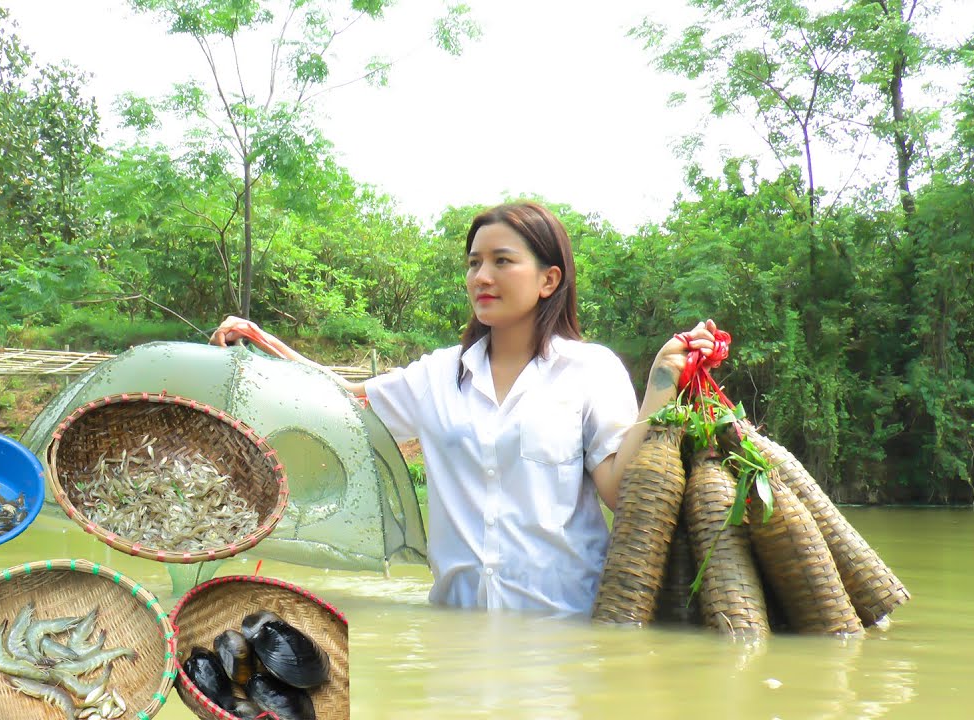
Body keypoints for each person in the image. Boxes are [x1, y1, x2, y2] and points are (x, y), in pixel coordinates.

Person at [211, 202, 717, 616]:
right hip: (456, 635)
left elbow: (618, 491)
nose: (482, 276)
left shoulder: (590, 370)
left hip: (567, 631)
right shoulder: (437, 376)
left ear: (548, 280)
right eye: (474, 263)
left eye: (502, 261)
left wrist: (662, 380)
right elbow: (342, 401)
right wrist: (259, 344)